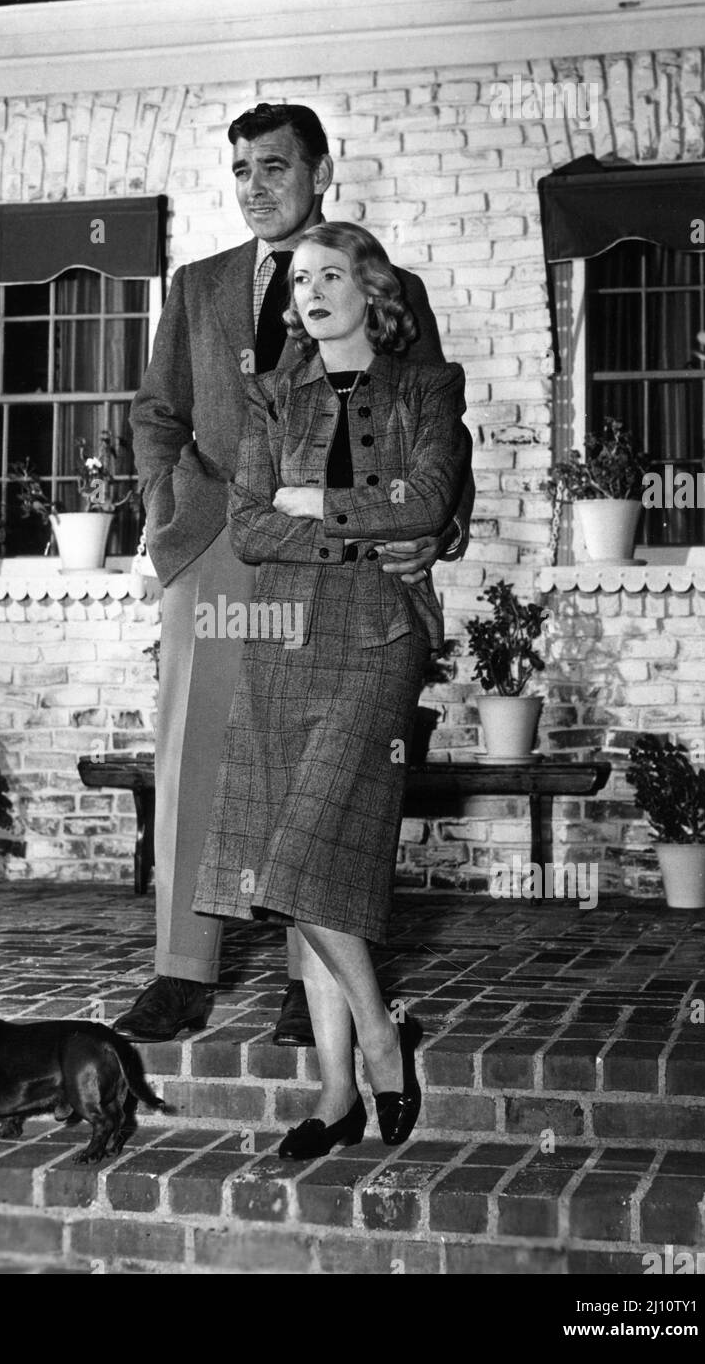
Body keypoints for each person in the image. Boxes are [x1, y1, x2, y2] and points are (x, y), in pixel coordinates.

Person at [117, 102, 474, 1046]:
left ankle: (306, 976)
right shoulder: (197, 287)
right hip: (217, 547)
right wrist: (173, 517)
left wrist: (430, 534)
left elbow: (435, 426)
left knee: (313, 758)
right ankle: (182, 970)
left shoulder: (376, 283)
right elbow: (155, 413)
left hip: (338, 559)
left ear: (321, 172)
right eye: (239, 171)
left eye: (274, 167)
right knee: (195, 756)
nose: (255, 188)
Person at [192, 221, 470, 1157]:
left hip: (380, 638)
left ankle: (384, 1034)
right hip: (282, 643)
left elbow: (429, 502)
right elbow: (250, 530)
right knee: (314, 875)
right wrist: (358, 520)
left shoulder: (427, 386)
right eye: (296, 279)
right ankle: (335, 1091)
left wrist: (315, 506)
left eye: (327, 274)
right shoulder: (272, 395)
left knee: (302, 856)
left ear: (371, 288)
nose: (307, 292)